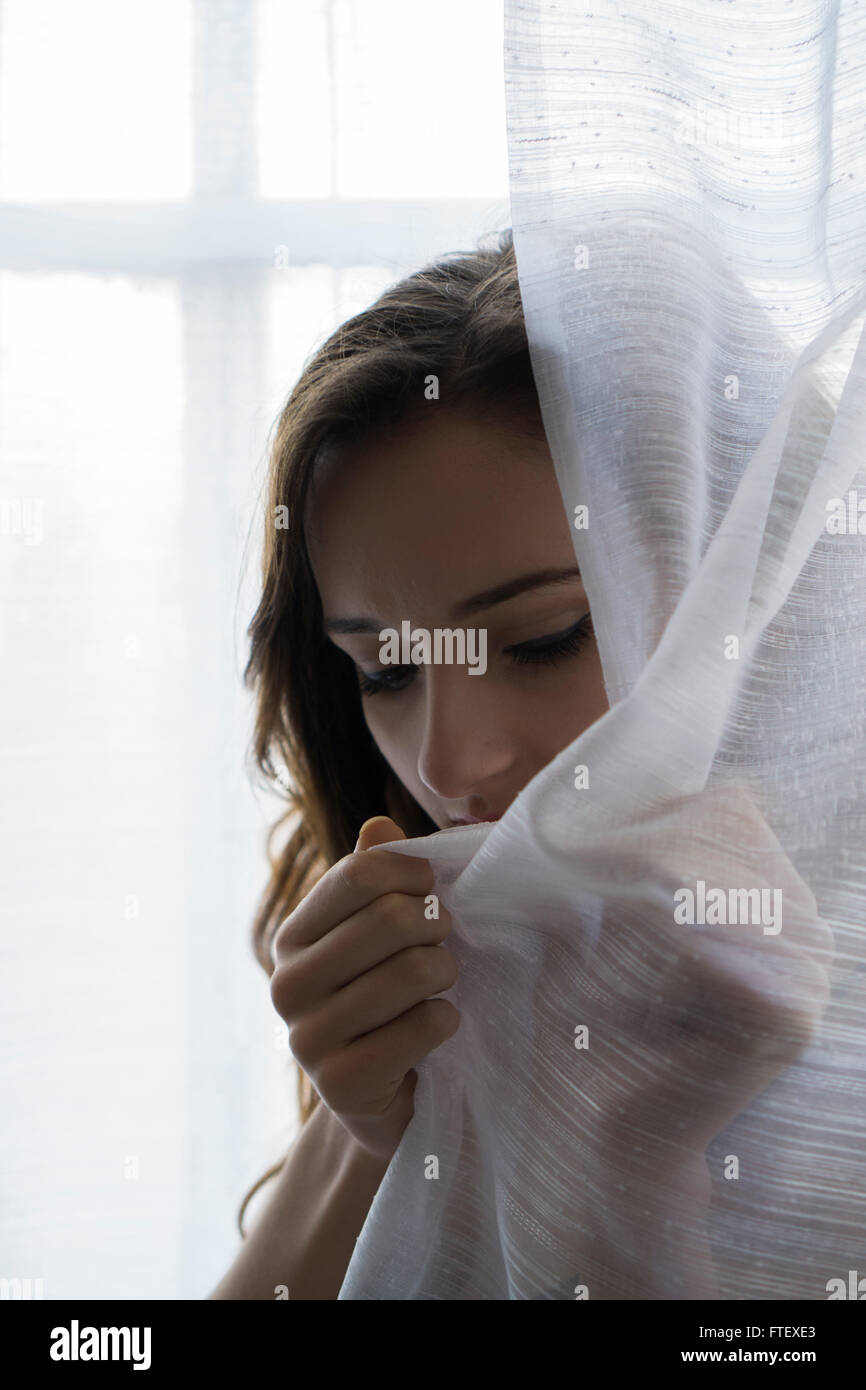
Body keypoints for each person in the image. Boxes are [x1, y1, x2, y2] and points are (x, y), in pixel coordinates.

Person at [209, 228, 828, 1299]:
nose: (449, 765)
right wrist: (363, 1131)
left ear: (760, 601)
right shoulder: (460, 992)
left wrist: (642, 1148)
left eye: (542, 638)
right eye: (384, 670)